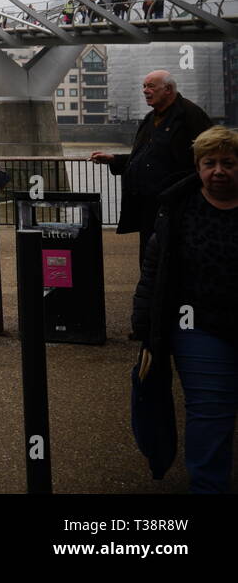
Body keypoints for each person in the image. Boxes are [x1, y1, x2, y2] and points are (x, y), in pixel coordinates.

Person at [132, 126, 238, 492]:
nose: (219, 171)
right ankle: (209, 487)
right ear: (198, 166)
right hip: (199, 327)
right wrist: (144, 324)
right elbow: (155, 271)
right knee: (209, 413)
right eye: (210, 163)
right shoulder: (178, 208)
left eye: (229, 163)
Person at [91, 71, 213, 263]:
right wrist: (114, 159)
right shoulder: (150, 119)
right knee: (150, 257)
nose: (145, 91)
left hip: (176, 206)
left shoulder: (190, 115)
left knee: (172, 258)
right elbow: (145, 157)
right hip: (148, 207)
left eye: (151, 86)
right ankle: (150, 293)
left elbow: (210, 156)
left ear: (168, 89)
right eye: (144, 86)